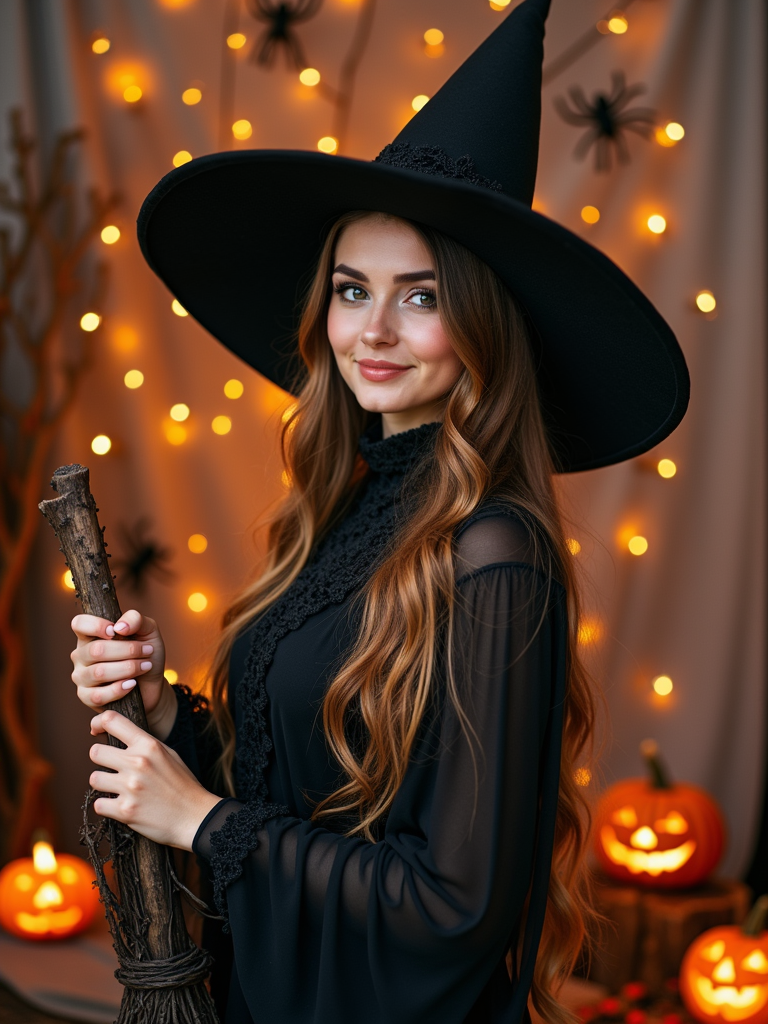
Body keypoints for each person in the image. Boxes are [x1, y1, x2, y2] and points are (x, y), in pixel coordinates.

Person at [68, 1, 689, 1021]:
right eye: (354, 290)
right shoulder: (343, 508)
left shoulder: (495, 553)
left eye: (424, 295)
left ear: (482, 322)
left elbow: (453, 906)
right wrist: (170, 715)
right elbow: (308, 779)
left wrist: (205, 823)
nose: (376, 331)